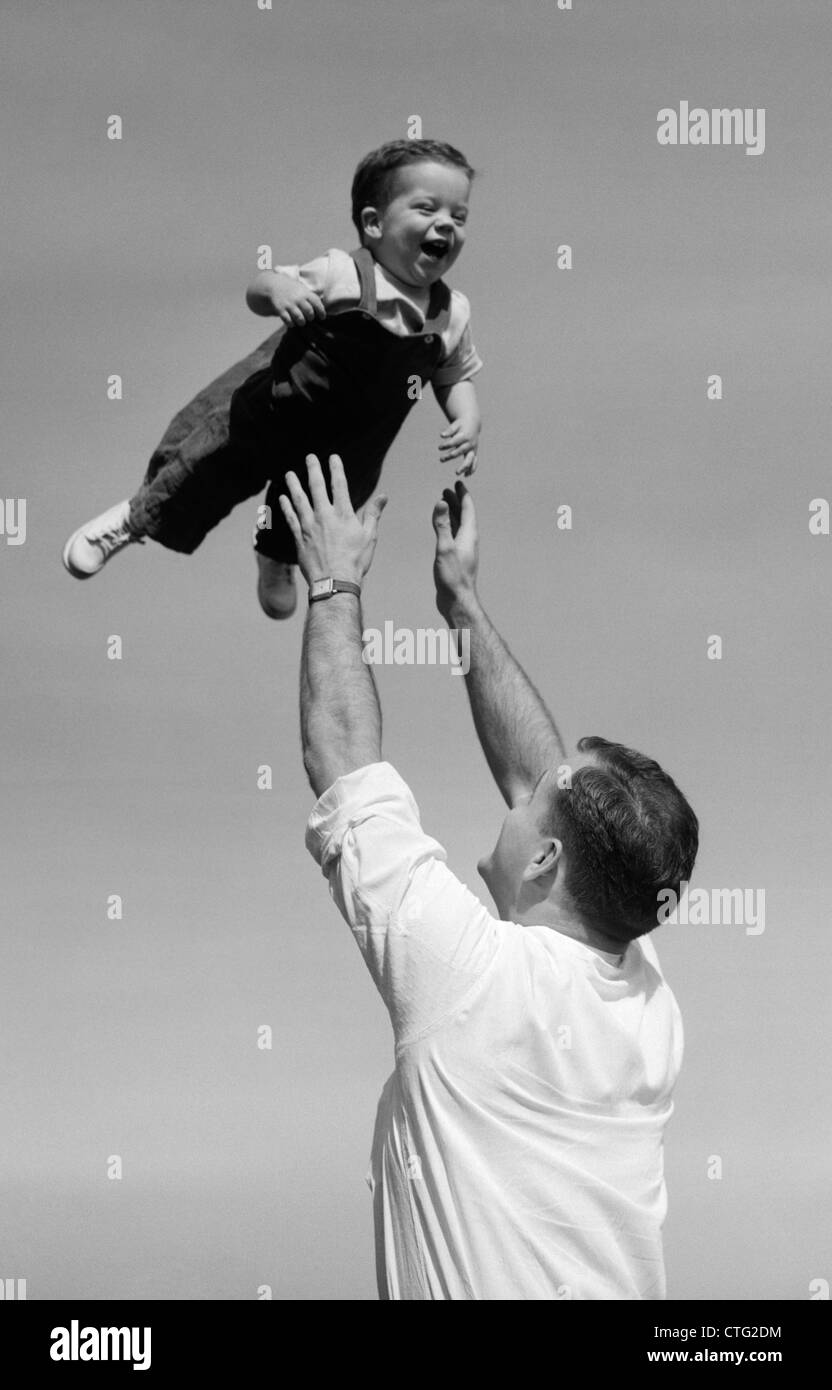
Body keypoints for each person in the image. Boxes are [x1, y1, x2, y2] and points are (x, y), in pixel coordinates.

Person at [281, 455, 699, 1301]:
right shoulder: (645, 1002)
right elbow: (550, 785)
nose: (517, 792)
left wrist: (333, 583)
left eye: (530, 804)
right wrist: (460, 604)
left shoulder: (469, 979)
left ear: (546, 861)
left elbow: (342, 760)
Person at [61, 139, 482, 619]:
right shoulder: (342, 274)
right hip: (274, 407)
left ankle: (275, 556)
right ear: (374, 223)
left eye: (460, 216)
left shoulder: (452, 314)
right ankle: (136, 519)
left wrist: (467, 419)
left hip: (349, 446)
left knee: (310, 507)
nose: (446, 223)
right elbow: (261, 284)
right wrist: (280, 290)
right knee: (208, 463)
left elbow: (454, 373)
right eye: (427, 208)